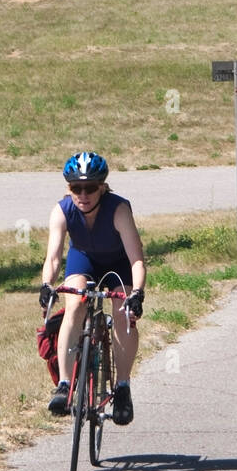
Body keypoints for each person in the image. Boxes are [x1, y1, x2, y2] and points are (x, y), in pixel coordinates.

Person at [39, 151, 145, 425]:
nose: (82, 195)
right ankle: (64, 385)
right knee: (74, 304)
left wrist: (136, 294)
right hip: (83, 259)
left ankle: (122, 387)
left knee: (122, 314)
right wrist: (46, 285)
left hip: (118, 262)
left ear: (102, 187)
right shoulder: (62, 211)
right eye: (76, 188)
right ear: (68, 188)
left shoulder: (118, 209)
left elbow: (136, 258)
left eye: (90, 188)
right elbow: (53, 257)